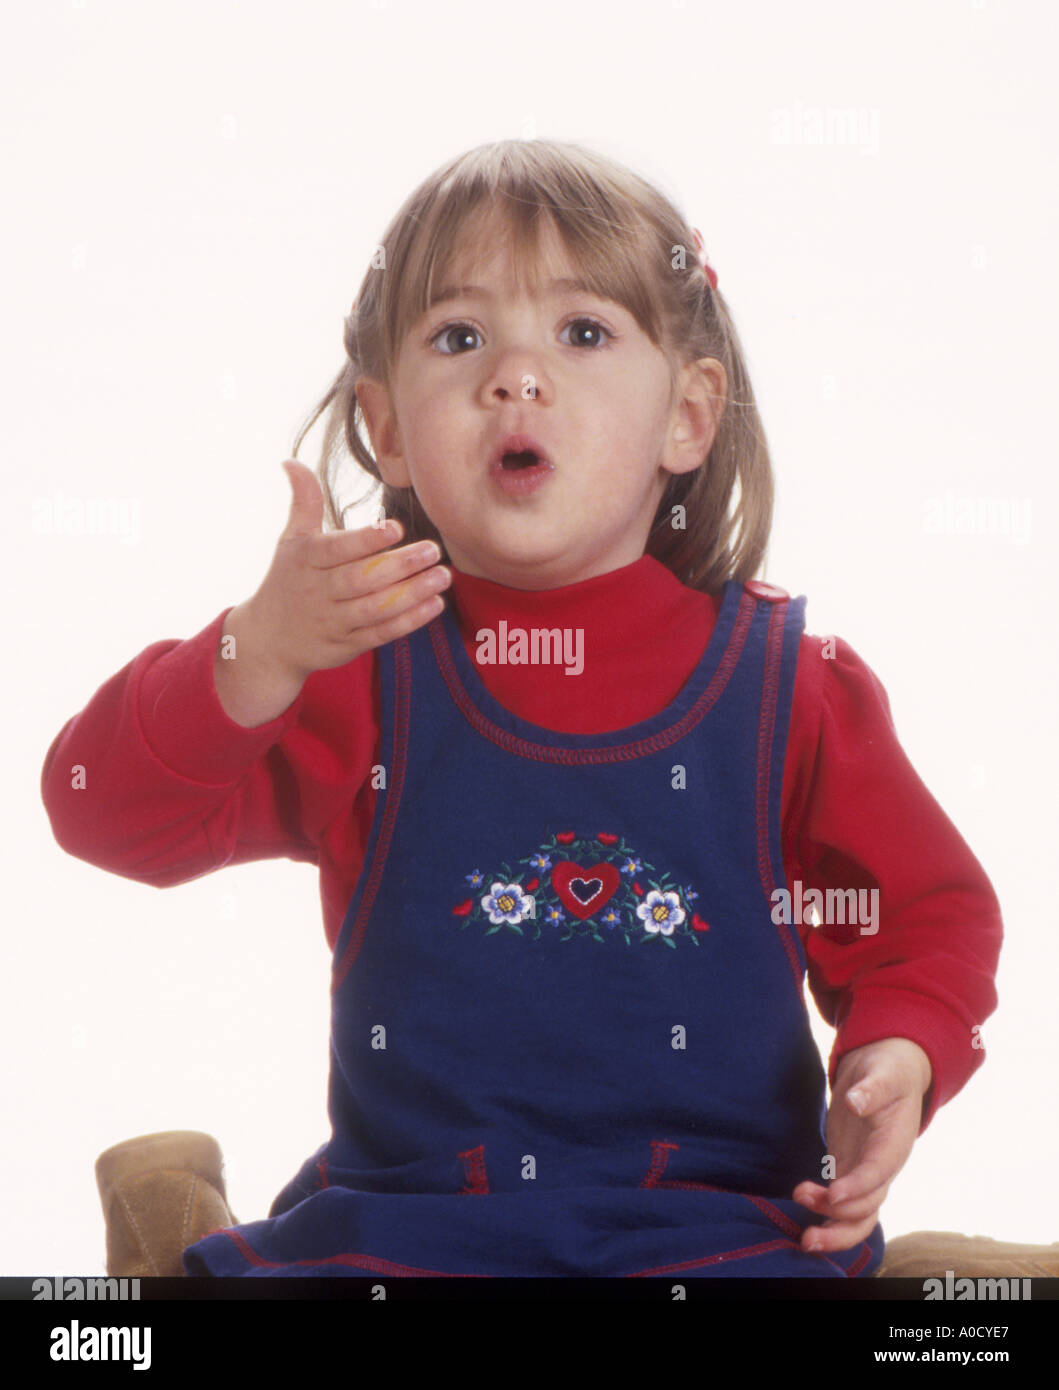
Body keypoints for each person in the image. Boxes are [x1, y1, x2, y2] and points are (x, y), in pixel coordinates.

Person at [41, 138, 1002, 1278]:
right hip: (415, 1226)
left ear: (687, 418)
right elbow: (102, 809)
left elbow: (925, 916)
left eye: (583, 333)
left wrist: (901, 1049)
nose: (515, 374)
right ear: (388, 428)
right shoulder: (359, 667)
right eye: (459, 338)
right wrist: (258, 651)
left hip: (717, 1230)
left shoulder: (791, 688)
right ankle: (170, 1219)